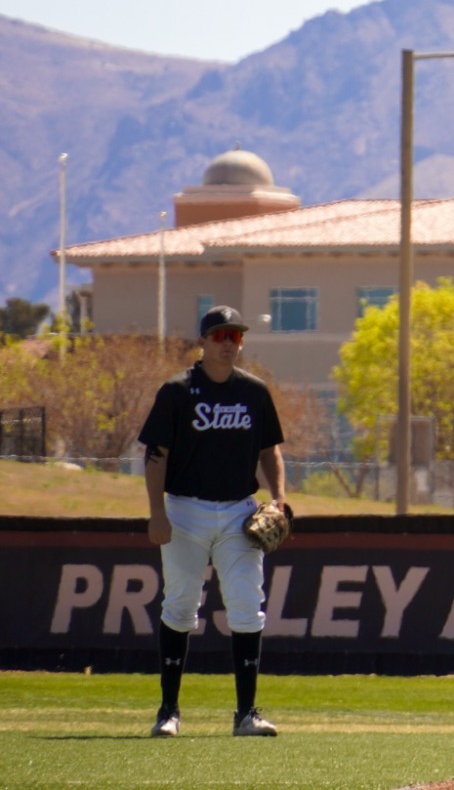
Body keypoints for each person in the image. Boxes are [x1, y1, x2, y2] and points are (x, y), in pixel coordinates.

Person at [140, 304, 287, 738]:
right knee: (181, 605)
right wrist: (156, 512)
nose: (228, 343)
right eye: (220, 335)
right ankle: (168, 710)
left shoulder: (254, 391)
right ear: (202, 341)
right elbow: (155, 456)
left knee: (246, 605)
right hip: (185, 510)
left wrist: (278, 499)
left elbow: (269, 451)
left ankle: (247, 714)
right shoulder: (177, 391)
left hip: (241, 510)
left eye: (235, 336)